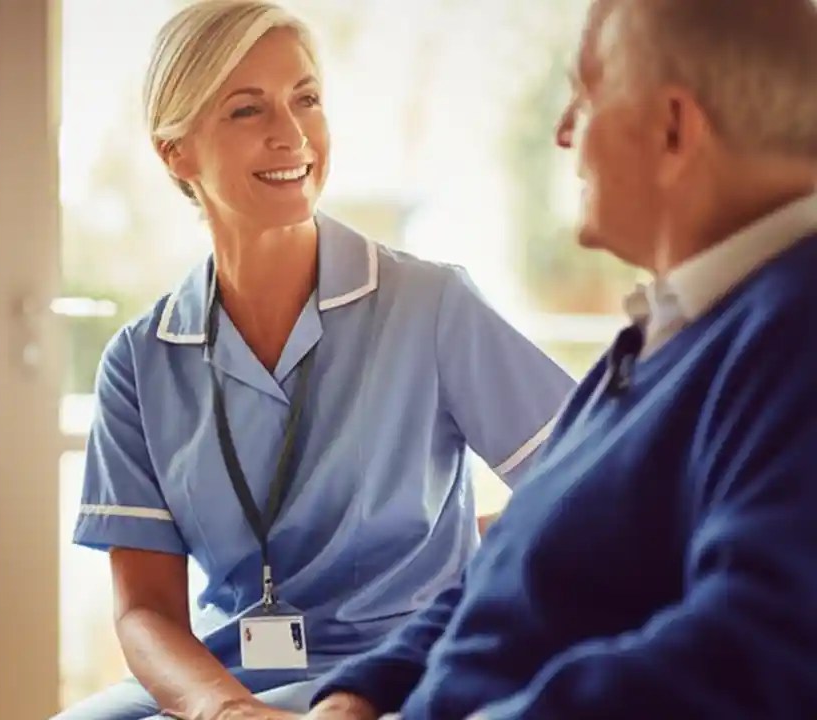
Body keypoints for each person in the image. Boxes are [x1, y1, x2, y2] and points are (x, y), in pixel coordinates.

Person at [55, 2, 575, 719]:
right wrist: (227, 711)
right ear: (176, 151)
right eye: (247, 110)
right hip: (224, 681)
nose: (291, 133)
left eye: (306, 99)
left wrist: (473, 573)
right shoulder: (139, 362)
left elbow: (587, 480)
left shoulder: (431, 305)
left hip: (404, 674)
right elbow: (145, 611)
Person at [303, 0, 817, 718]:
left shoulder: (794, 340)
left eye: (587, 93)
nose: (565, 131)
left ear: (672, 129)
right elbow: (507, 564)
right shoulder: (662, 334)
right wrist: (363, 689)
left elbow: (752, 655)